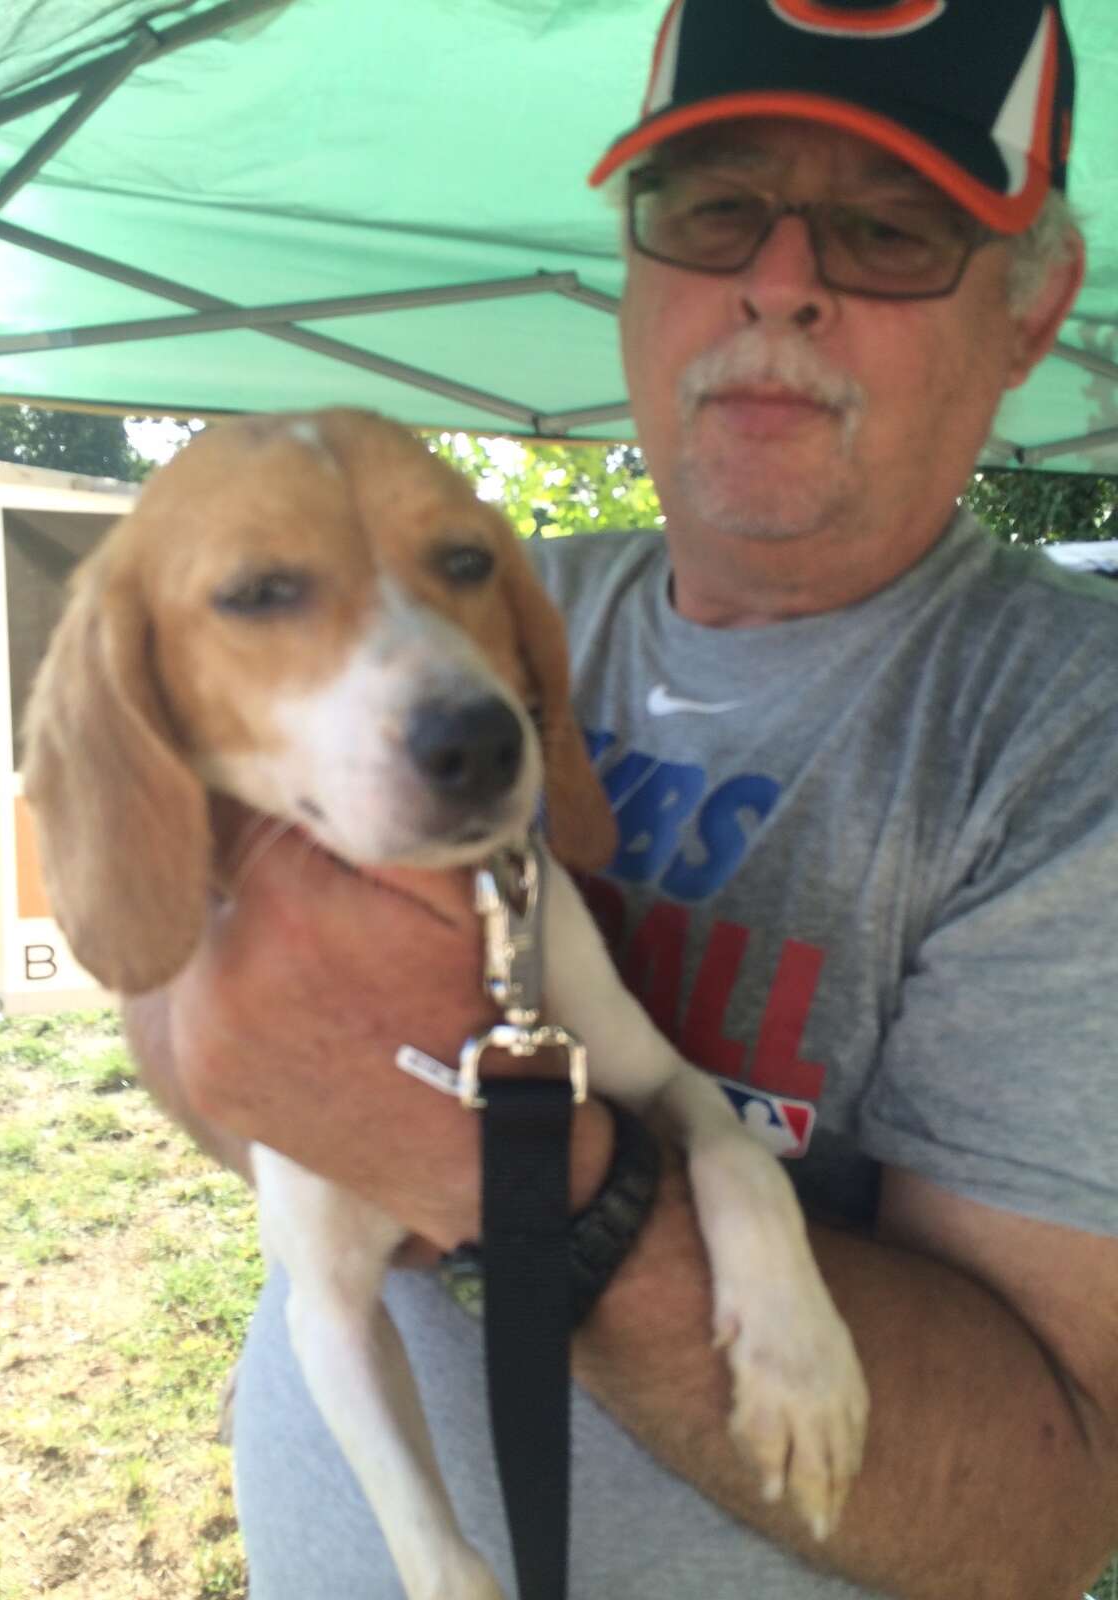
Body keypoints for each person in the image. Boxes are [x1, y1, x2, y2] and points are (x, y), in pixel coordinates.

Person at [127, 1, 1118, 1595]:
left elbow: (1046, 1511)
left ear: (1032, 308)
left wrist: (493, 1177)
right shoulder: (483, 611)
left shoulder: (1067, 734)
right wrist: (209, 1032)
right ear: (636, 266)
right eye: (713, 206)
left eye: (890, 229)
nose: (778, 280)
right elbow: (186, 1012)